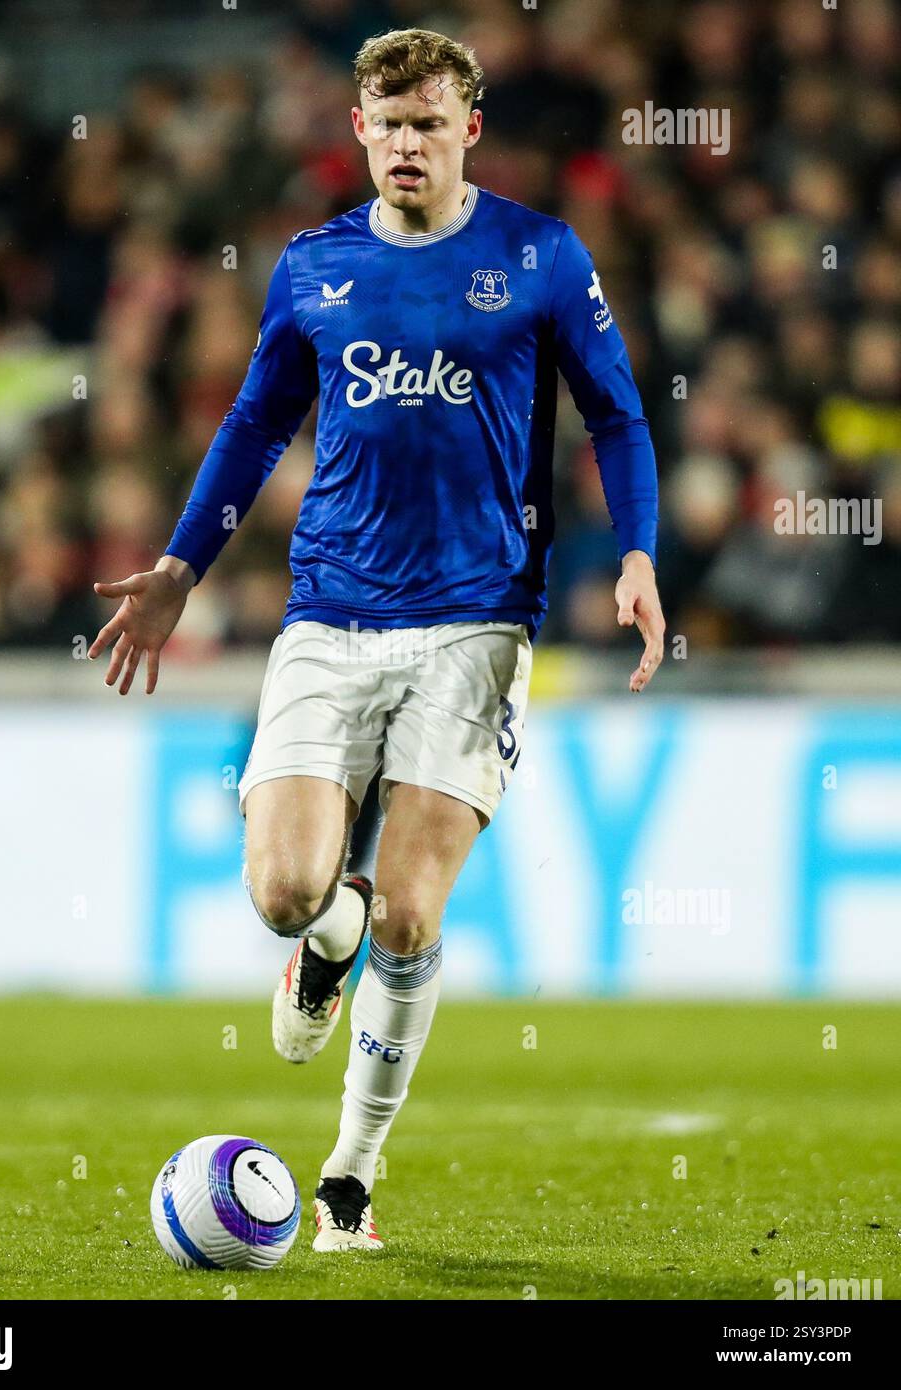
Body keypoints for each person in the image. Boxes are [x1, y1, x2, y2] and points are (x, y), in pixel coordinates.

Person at [89, 27, 664, 1253]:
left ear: (468, 129)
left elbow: (618, 416)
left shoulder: (539, 257)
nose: (408, 142)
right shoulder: (311, 268)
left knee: (407, 913)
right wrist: (183, 565)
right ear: (359, 130)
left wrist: (636, 552)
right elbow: (252, 425)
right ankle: (319, 941)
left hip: (475, 622)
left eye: (430, 121)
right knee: (287, 893)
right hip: (328, 614)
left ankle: (350, 1167)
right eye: (387, 122)